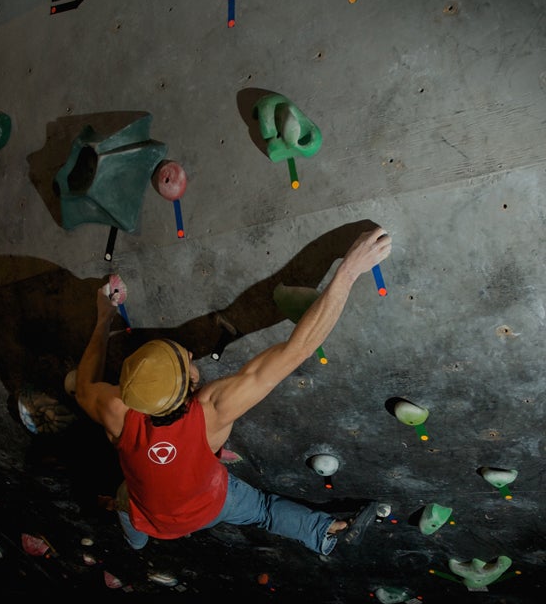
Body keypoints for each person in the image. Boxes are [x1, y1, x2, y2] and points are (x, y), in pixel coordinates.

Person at [75, 225, 392, 557]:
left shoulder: (116, 410)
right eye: (184, 358)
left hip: (150, 516)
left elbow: (83, 388)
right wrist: (349, 271)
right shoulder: (212, 411)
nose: (187, 351)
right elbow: (296, 350)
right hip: (208, 505)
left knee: (129, 512)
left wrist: (103, 318)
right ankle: (323, 532)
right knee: (264, 511)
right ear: (190, 388)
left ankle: (135, 545)